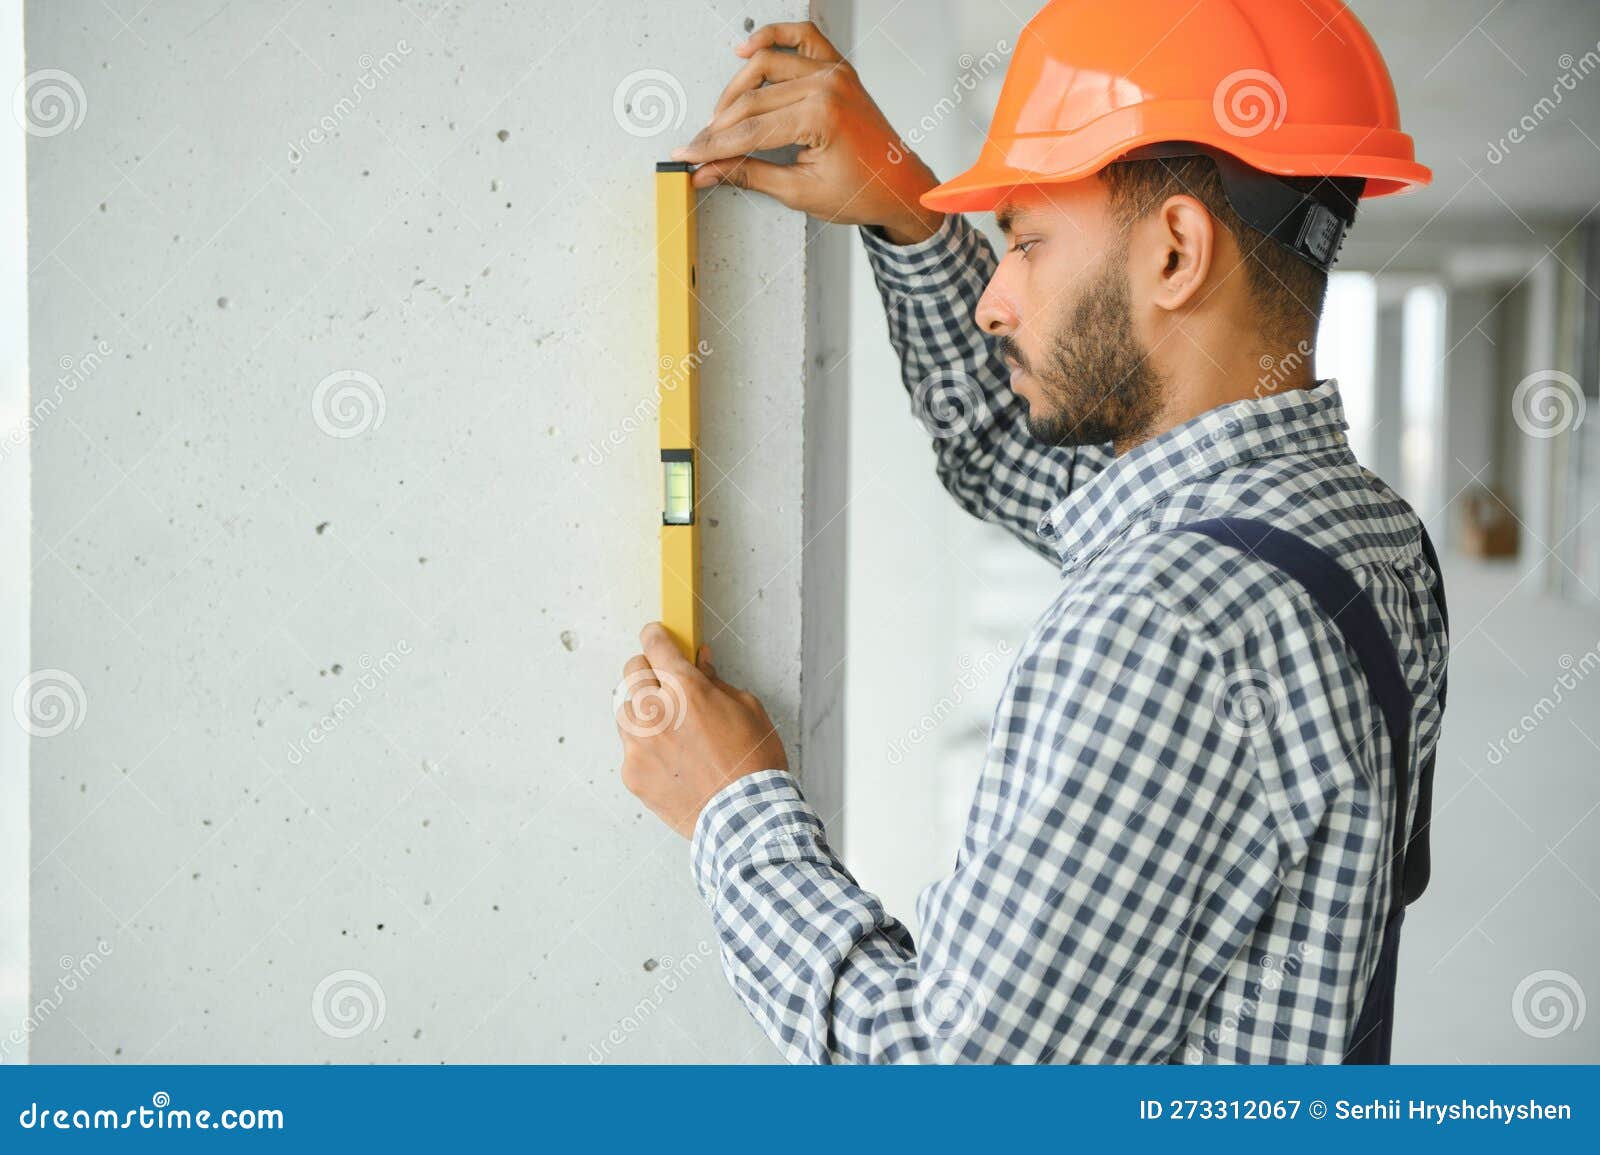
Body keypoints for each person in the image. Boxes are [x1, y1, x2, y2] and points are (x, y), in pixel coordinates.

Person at [614, 0, 1448, 1064]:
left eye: (1027, 241)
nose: (993, 302)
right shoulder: (1361, 537)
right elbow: (1014, 456)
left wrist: (732, 808)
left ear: (1176, 251)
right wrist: (912, 215)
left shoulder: (1162, 627)